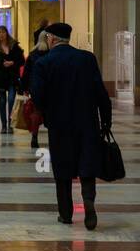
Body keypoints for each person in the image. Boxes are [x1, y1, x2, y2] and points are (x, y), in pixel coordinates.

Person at [28, 22, 114, 230]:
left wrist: (47, 113)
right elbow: (101, 93)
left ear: (51, 39)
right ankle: (88, 202)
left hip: (59, 124)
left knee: (62, 168)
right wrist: (106, 120)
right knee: (87, 165)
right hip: (87, 121)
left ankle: (65, 213)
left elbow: (38, 96)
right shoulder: (87, 59)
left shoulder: (44, 63)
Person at [0, 25, 25, 134]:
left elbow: (21, 60)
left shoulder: (14, 45)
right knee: (2, 101)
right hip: (0, 77)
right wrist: (2, 64)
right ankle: (3, 125)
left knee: (11, 99)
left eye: (3, 32)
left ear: (7, 33)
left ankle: (10, 124)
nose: (1, 34)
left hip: (12, 77)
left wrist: (12, 63)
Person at [21, 32, 49, 149]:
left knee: (36, 112)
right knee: (51, 113)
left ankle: (34, 136)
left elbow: (26, 73)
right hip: (50, 87)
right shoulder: (51, 53)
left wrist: (24, 88)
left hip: (35, 87)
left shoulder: (33, 54)